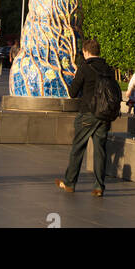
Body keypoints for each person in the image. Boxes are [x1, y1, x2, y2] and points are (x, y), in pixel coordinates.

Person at [56, 39, 120, 197]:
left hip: (87, 113)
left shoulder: (84, 67)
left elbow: (72, 92)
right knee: (100, 151)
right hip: (104, 114)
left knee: (78, 148)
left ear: (86, 52)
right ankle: (99, 187)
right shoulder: (108, 68)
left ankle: (70, 183)